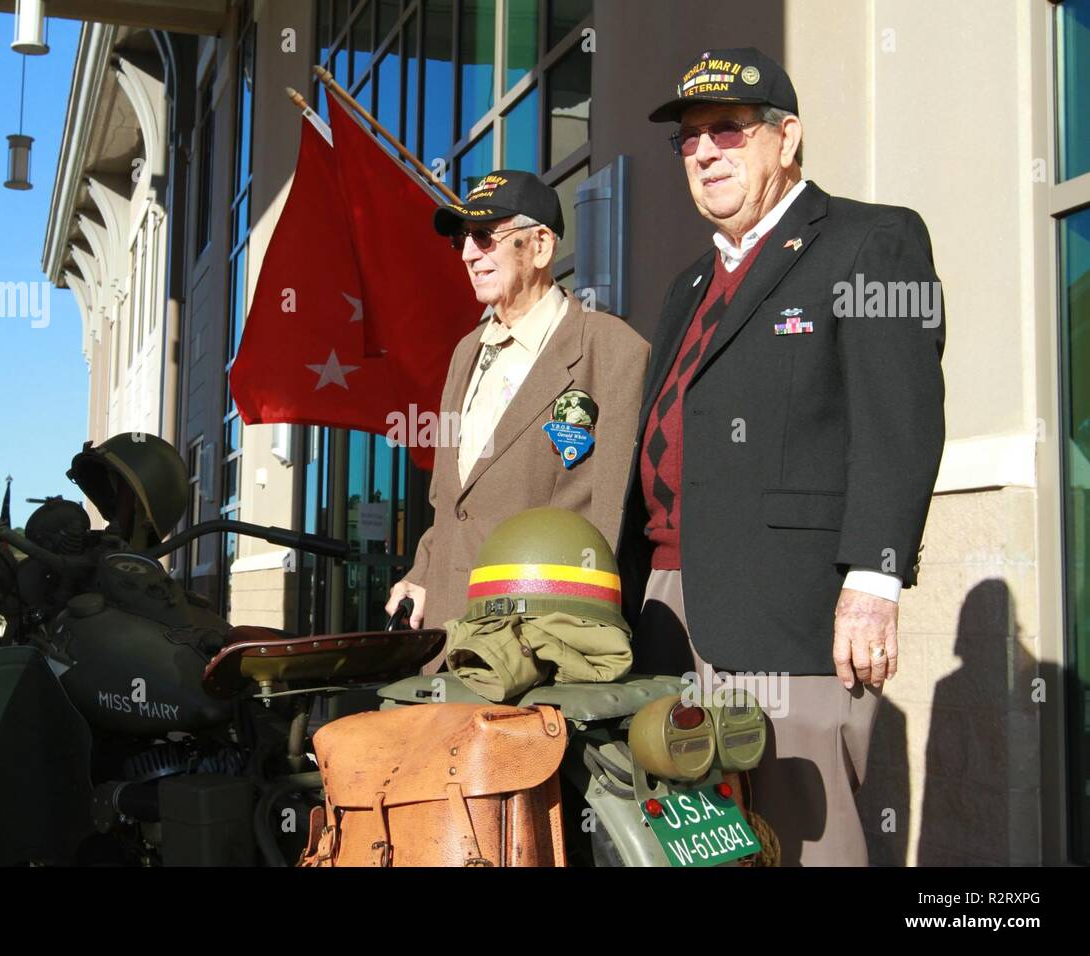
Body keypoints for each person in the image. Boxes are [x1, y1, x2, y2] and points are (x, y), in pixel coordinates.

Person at [619, 48, 946, 865]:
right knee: (696, 846)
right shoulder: (687, 286)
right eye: (688, 140)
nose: (703, 153)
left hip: (792, 613)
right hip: (666, 603)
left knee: (807, 839)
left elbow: (899, 420)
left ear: (786, 136)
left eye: (726, 130)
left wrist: (871, 584)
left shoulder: (872, 241)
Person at [386, 170, 650, 634]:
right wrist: (420, 576)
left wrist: (579, 642)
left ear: (541, 245)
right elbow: (452, 507)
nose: (469, 254)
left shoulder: (614, 351)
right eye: (463, 240)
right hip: (449, 639)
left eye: (485, 237)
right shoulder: (466, 351)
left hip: (542, 647)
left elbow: (612, 520)